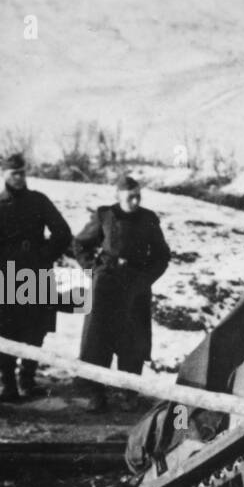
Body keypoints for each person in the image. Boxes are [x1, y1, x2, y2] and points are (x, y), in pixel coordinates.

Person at [0, 152, 71, 402]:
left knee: (36, 328)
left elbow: (63, 232)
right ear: (4, 175)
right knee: (5, 329)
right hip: (7, 275)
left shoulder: (39, 201)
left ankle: (27, 380)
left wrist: (45, 254)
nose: (18, 178)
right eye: (13, 173)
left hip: (37, 272)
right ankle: (8, 385)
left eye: (21, 172)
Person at [73, 175, 170, 413]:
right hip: (105, 286)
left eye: (138, 196)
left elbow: (162, 256)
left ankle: (129, 393)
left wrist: (145, 279)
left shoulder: (148, 219)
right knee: (97, 341)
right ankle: (96, 394)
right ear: (118, 195)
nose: (135, 201)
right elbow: (80, 243)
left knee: (133, 342)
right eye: (130, 197)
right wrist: (93, 270)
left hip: (135, 288)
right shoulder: (105, 215)